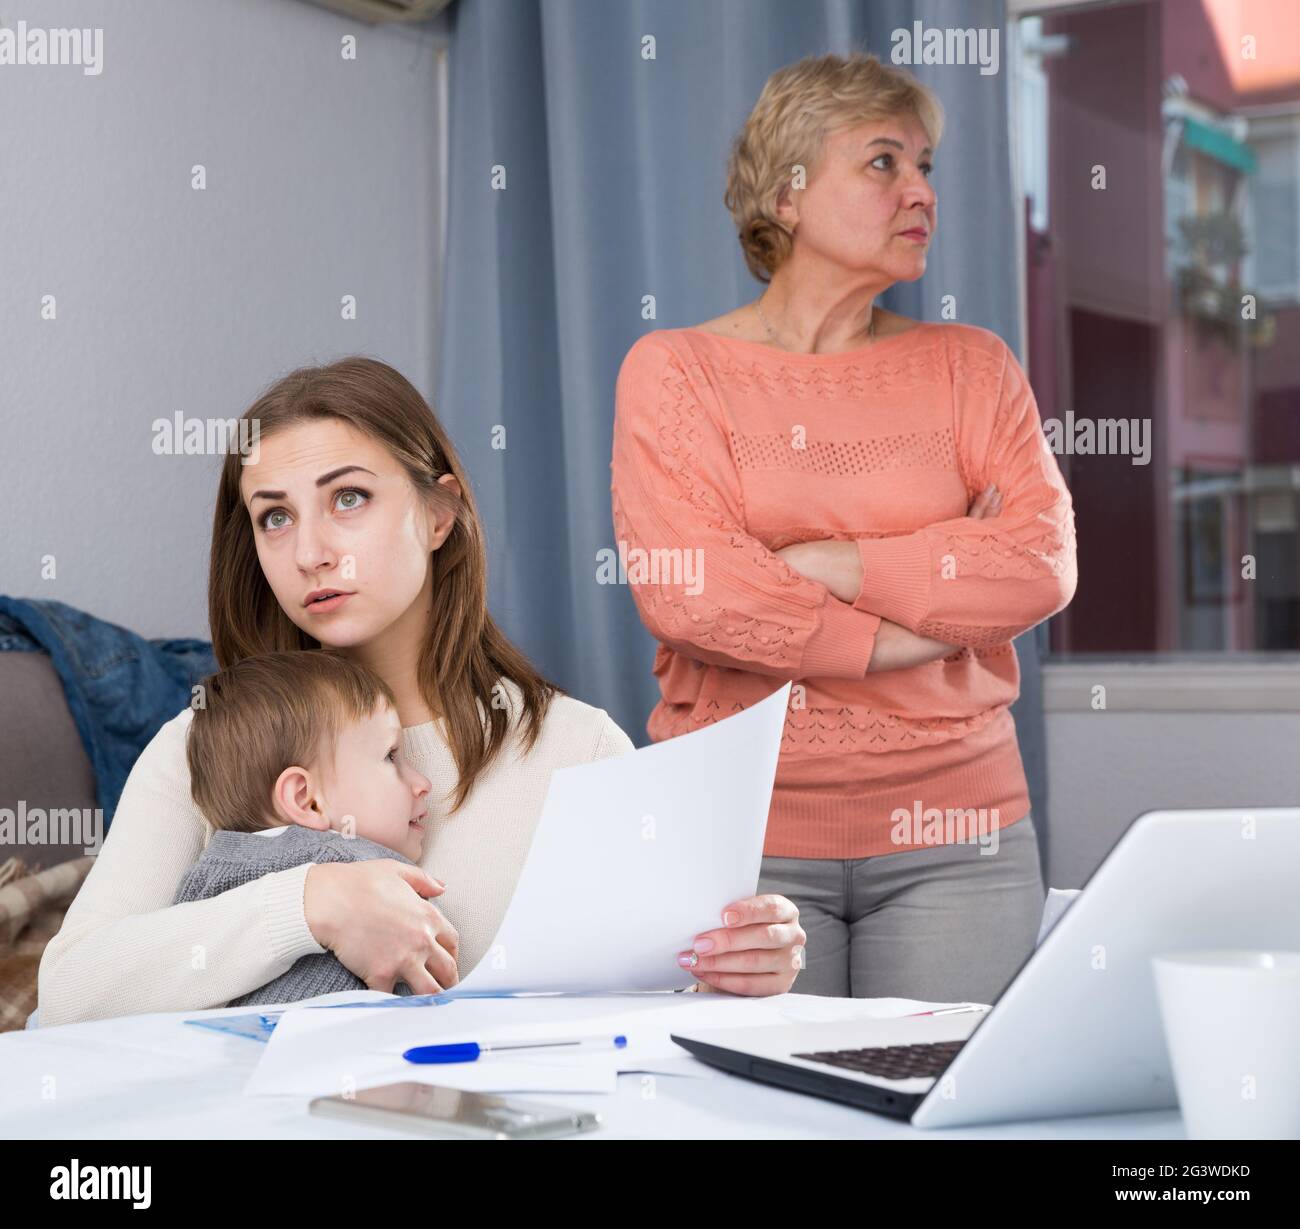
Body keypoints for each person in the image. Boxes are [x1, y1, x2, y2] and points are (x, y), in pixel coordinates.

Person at [38, 356, 807, 1026]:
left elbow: (647, 1007)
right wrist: (312, 904)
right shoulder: (199, 746)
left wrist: (733, 970)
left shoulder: (579, 747)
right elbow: (70, 992)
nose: (310, 552)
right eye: (274, 516)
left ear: (439, 513)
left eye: (348, 498)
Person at [610, 53, 1077, 1003]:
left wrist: (837, 561)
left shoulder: (973, 367)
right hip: (740, 844)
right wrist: (921, 628)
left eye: (926, 166)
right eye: (883, 163)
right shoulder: (675, 371)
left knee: (936, 1108)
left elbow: (1038, 566)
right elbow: (692, 595)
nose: (921, 192)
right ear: (787, 194)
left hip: (962, 840)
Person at [175, 651, 432, 1007]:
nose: (421, 783)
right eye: (391, 757)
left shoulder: (203, 879)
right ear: (307, 800)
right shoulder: (356, 864)